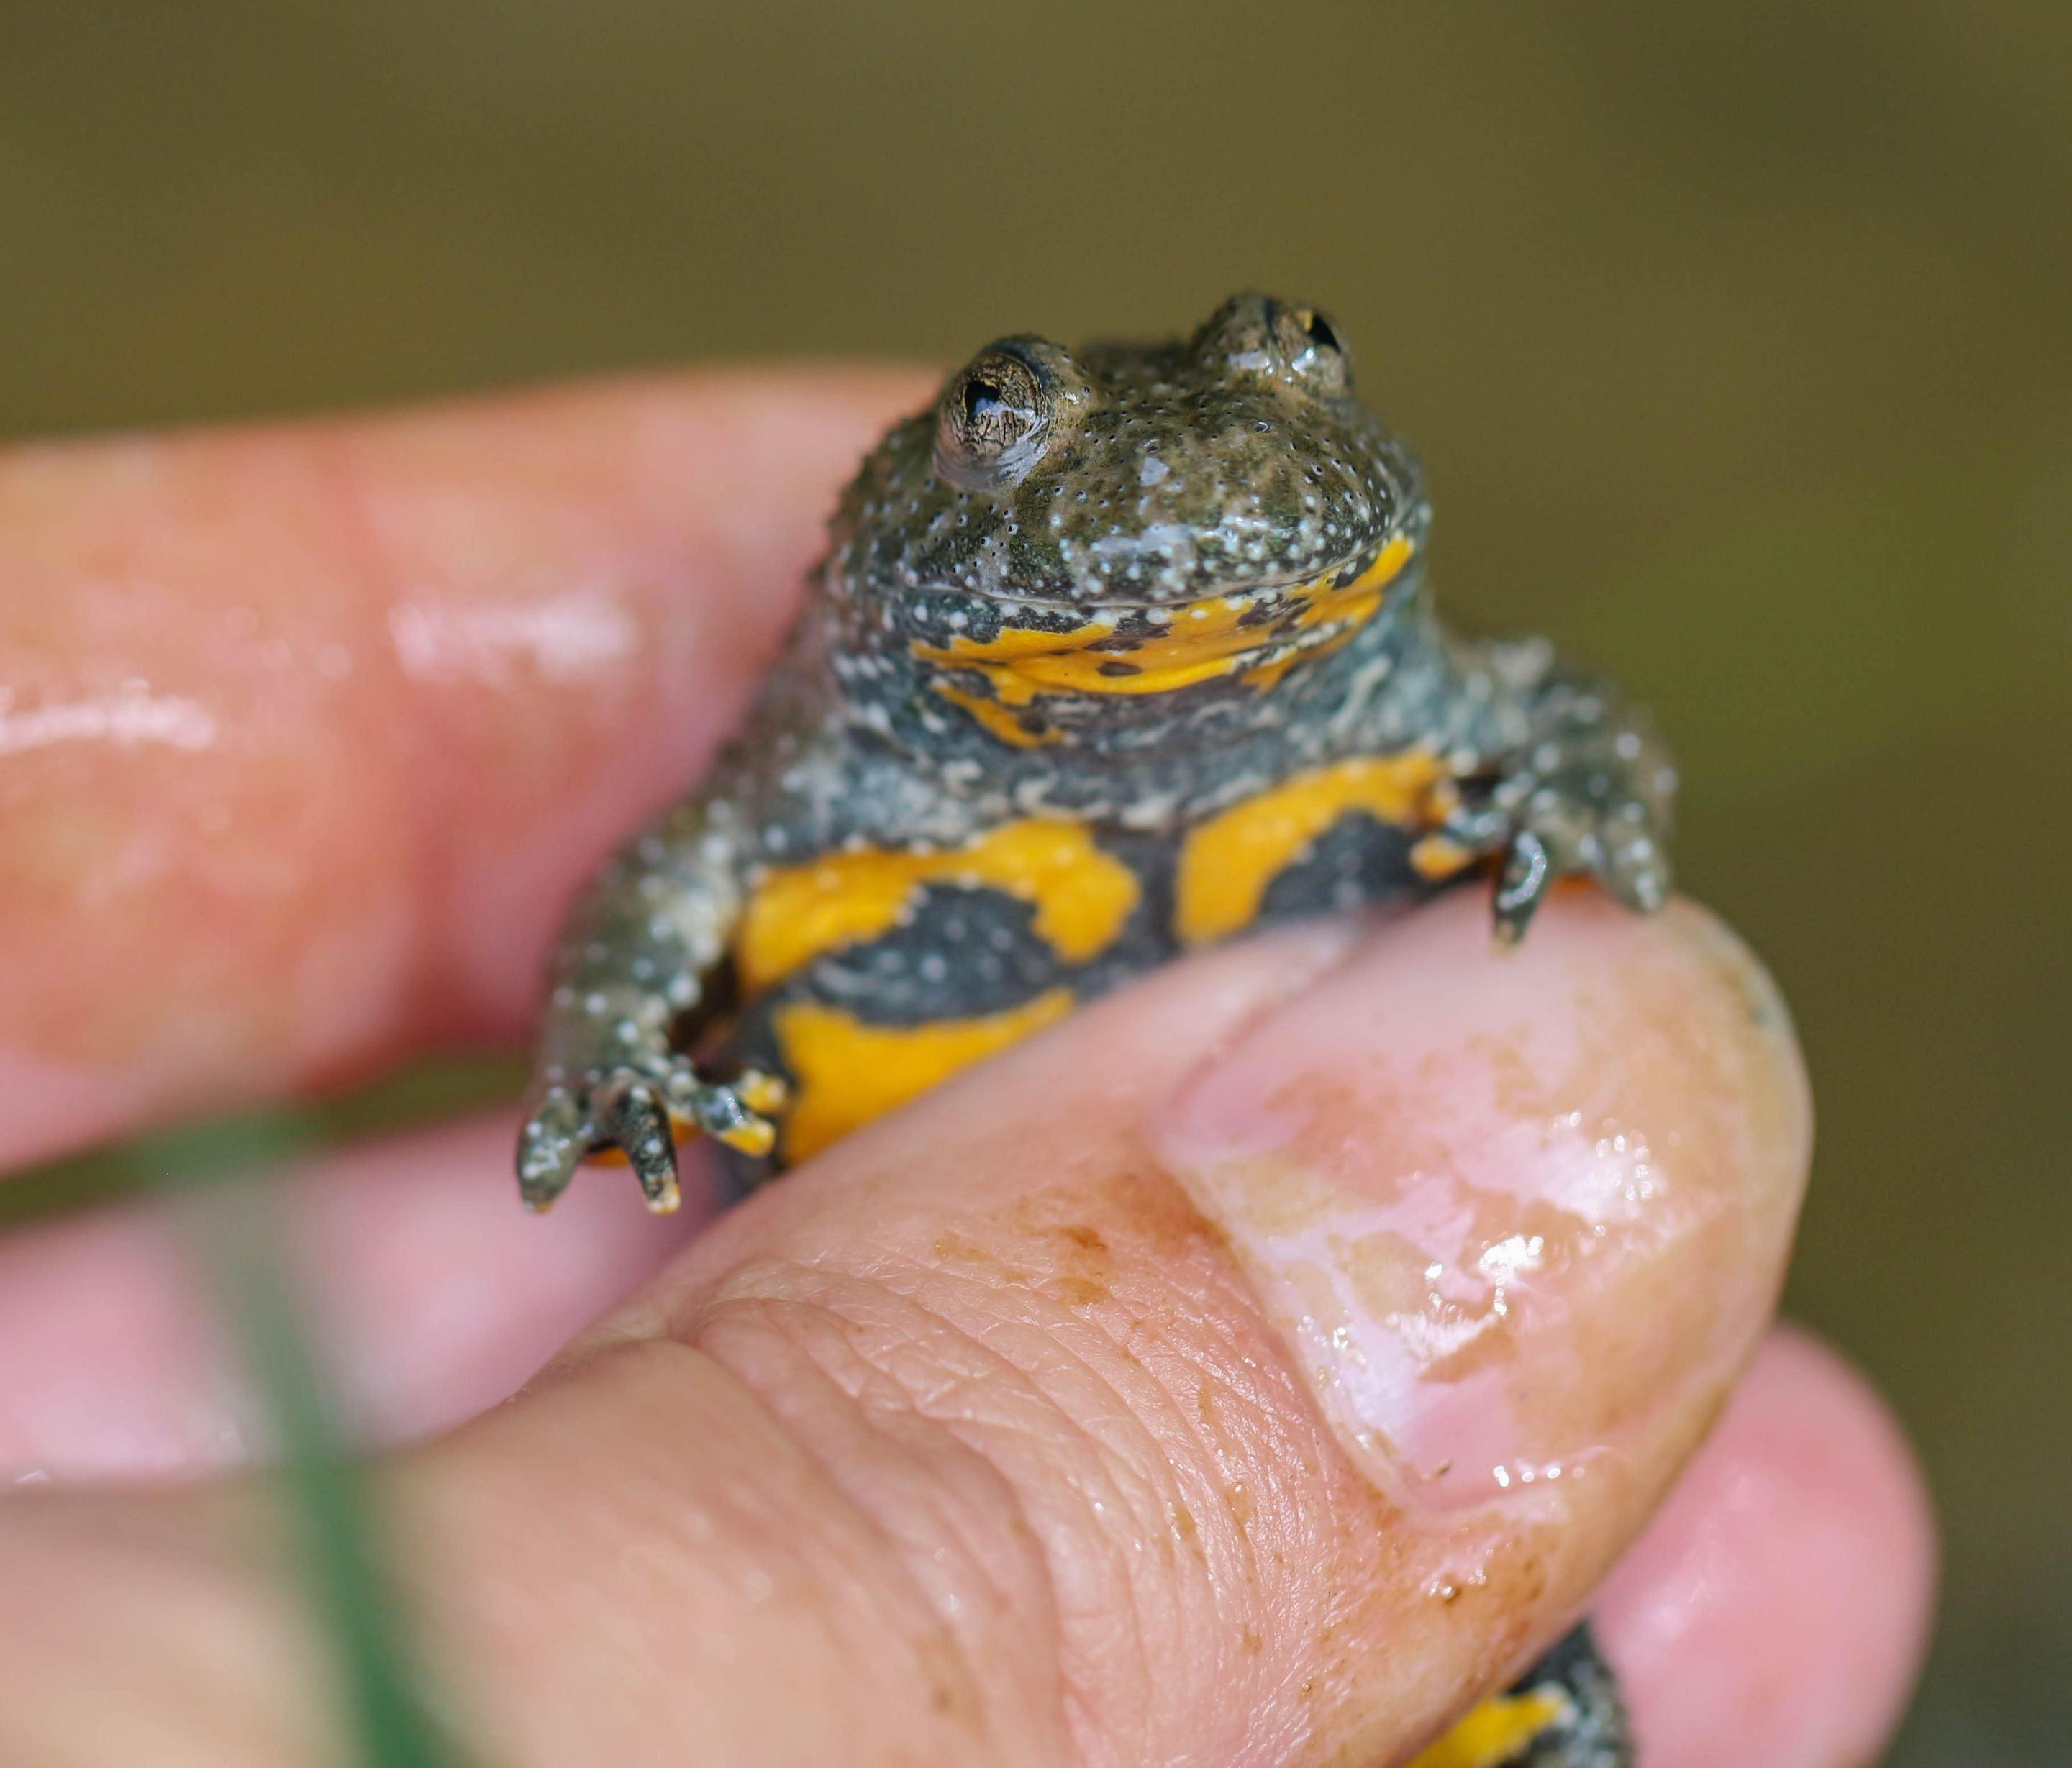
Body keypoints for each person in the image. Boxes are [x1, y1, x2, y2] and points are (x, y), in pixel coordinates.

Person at [0, 369, 1935, 1767]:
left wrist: (1585, 794)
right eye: (1007, 418)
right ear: (895, 521)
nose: (1183, 479)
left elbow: (1559, 710)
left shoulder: (1407, 691)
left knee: (1532, 1702)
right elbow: (665, 885)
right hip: (885, 1205)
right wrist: (608, 1057)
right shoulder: (841, 747)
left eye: (1299, 372)